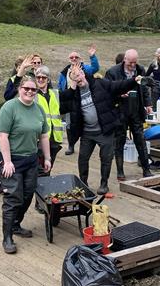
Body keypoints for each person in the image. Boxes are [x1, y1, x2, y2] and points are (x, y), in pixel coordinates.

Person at [59, 64, 141, 195]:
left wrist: (133, 80)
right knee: (83, 159)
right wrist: (72, 88)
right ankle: (83, 184)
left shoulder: (99, 84)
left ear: (83, 73)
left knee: (106, 158)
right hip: (87, 133)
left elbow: (118, 86)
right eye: (74, 77)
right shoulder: (73, 94)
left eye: (78, 74)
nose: (78, 78)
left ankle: (104, 184)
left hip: (105, 130)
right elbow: (62, 107)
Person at [0, 75, 51, 254]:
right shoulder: (9, 107)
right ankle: (7, 237)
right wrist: (8, 162)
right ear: (19, 89)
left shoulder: (39, 109)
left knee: (27, 194)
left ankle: (16, 224)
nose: (29, 91)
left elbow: (43, 136)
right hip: (11, 159)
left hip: (31, 159)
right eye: (26, 88)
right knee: (13, 197)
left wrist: (47, 158)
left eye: (33, 89)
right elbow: (2, 135)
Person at [105, 49, 154, 181]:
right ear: (124, 60)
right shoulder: (112, 72)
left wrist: (148, 104)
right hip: (120, 110)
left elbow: (144, 88)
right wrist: (119, 94)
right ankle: (120, 171)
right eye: (130, 62)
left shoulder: (140, 69)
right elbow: (106, 90)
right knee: (119, 140)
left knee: (140, 139)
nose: (133, 65)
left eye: (135, 62)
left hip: (136, 109)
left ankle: (146, 169)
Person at [58, 45, 99, 155]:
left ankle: (88, 144)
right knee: (69, 124)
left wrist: (92, 56)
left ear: (80, 59)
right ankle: (71, 145)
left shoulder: (85, 68)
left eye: (76, 57)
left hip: (84, 98)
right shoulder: (64, 72)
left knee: (85, 121)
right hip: (70, 100)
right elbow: (60, 85)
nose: (74, 59)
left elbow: (95, 68)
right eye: (71, 57)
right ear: (69, 59)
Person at [33, 65, 64, 173]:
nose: (41, 79)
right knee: (39, 170)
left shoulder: (54, 93)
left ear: (48, 79)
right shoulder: (32, 94)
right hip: (39, 139)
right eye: (38, 77)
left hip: (55, 138)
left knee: (48, 168)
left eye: (44, 77)